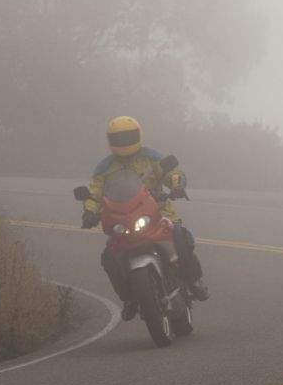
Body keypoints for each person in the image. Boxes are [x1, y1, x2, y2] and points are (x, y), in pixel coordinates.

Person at [81, 116, 208, 320]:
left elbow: (173, 172)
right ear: (110, 140)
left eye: (127, 137)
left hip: (159, 213)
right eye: (119, 138)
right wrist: (89, 211)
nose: (123, 142)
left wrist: (176, 184)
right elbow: (95, 194)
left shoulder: (152, 157)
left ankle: (194, 281)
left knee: (180, 236)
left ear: (138, 135)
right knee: (109, 257)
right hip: (122, 220)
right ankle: (129, 298)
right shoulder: (104, 168)